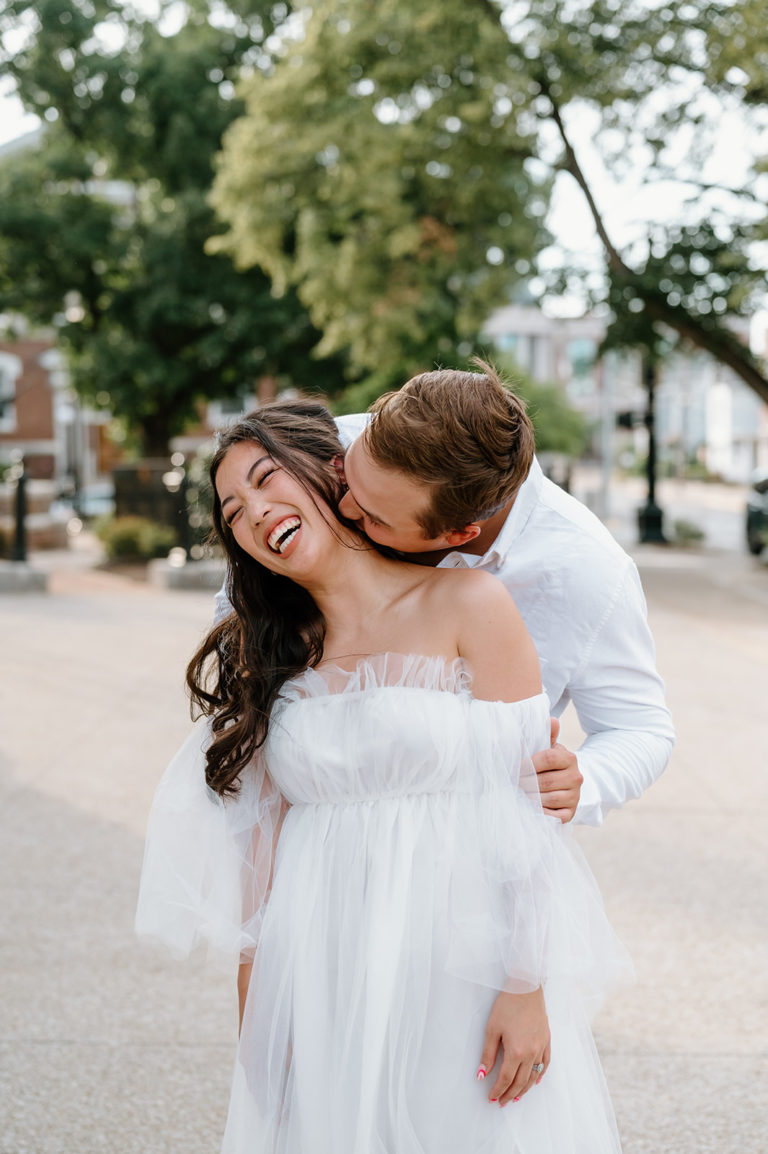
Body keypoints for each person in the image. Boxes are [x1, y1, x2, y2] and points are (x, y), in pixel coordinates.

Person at [137, 399, 631, 1154]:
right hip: (323, 962)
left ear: (329, 471)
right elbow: (259, 866)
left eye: (268, 478)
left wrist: (526, 987)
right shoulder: (267, 655)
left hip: (457, 952)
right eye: (233, 511)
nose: (256, 511)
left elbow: (521, 814)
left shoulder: (472, 601)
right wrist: (261, 1026)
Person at [214, 363, 674, 827]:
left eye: (374, 517)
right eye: (350, 477)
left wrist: (585, 780)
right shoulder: (337, 444)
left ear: (456, 535)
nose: (346, 506)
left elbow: (639, 729)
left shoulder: (586, 571)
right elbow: (243, 593)